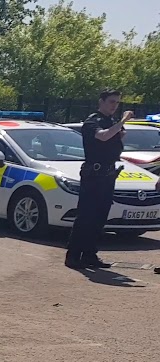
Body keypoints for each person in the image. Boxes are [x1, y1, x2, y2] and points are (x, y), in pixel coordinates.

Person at [66, 88, 129, 269]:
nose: (114, 106)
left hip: (108, 175)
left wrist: (120, 130)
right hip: (93, 175)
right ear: (101, 102)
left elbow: (117, 142)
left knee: (100, 217)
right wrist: (122, 122)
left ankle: (90, 254)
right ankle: (73, 255)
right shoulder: (92, 121)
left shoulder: (112, 121)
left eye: (117, 102)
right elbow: (103, 136)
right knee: (86, 216)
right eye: (111, 101)